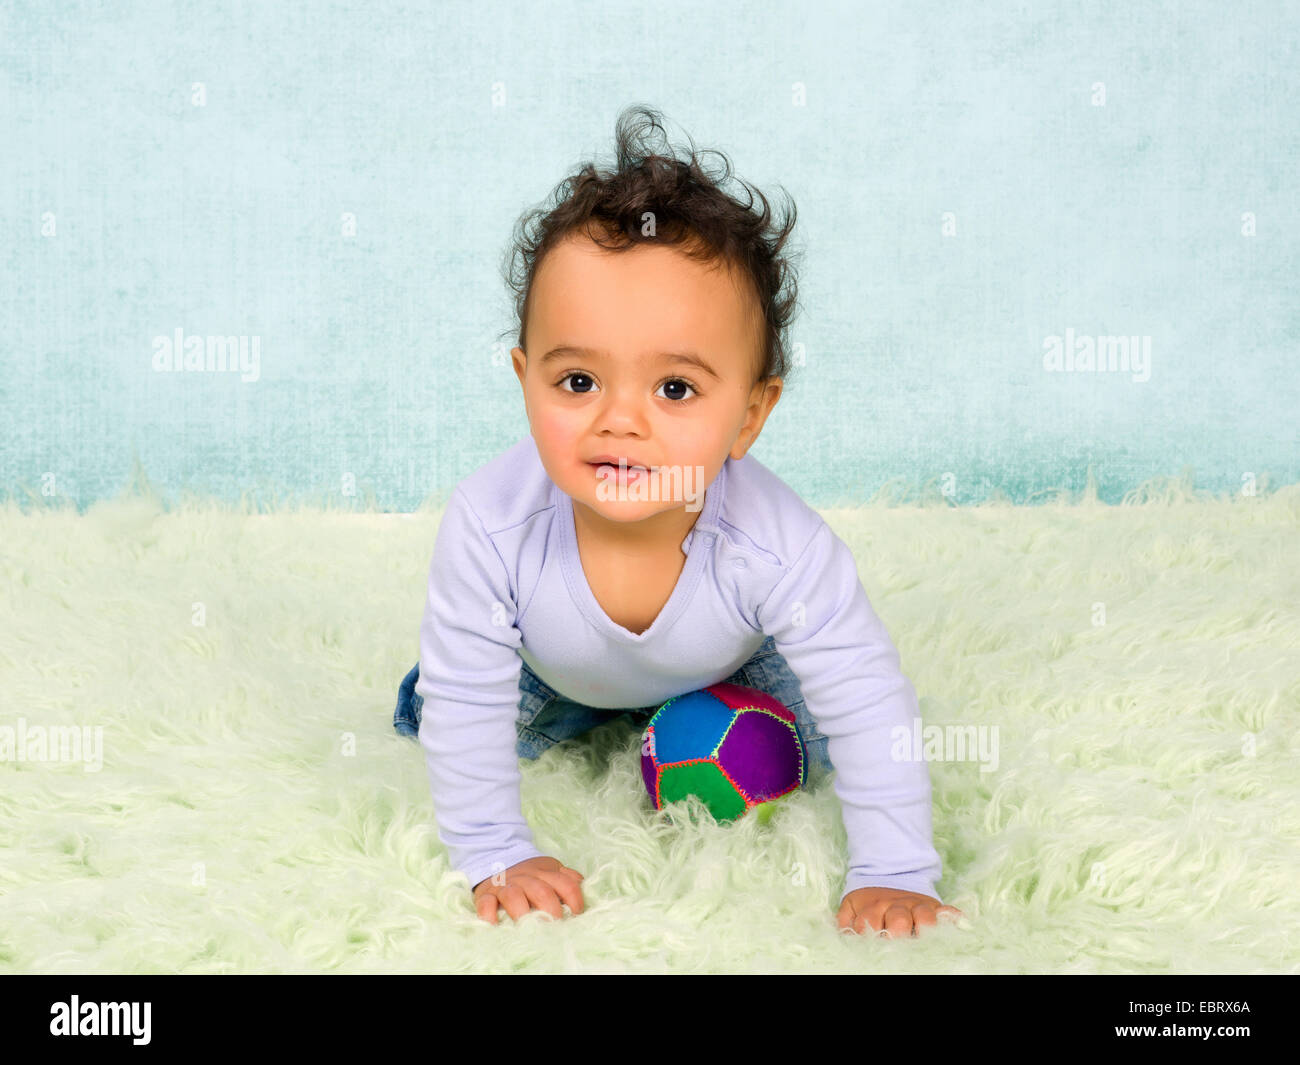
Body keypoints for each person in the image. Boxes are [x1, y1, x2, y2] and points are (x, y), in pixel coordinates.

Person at [395, 105, 962, 938]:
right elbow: (471, 707)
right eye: (578, 382)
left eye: (676, 389)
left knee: (829, 732)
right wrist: (496, 851)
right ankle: (518, 704)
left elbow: (867, 697)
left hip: (725, 661)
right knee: (453, 710)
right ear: (525, 379)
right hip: (548, 670)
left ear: (751, 415)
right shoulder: (490, 524)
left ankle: (691, 718)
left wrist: (894, 870)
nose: (620, 421)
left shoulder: (780, 546)